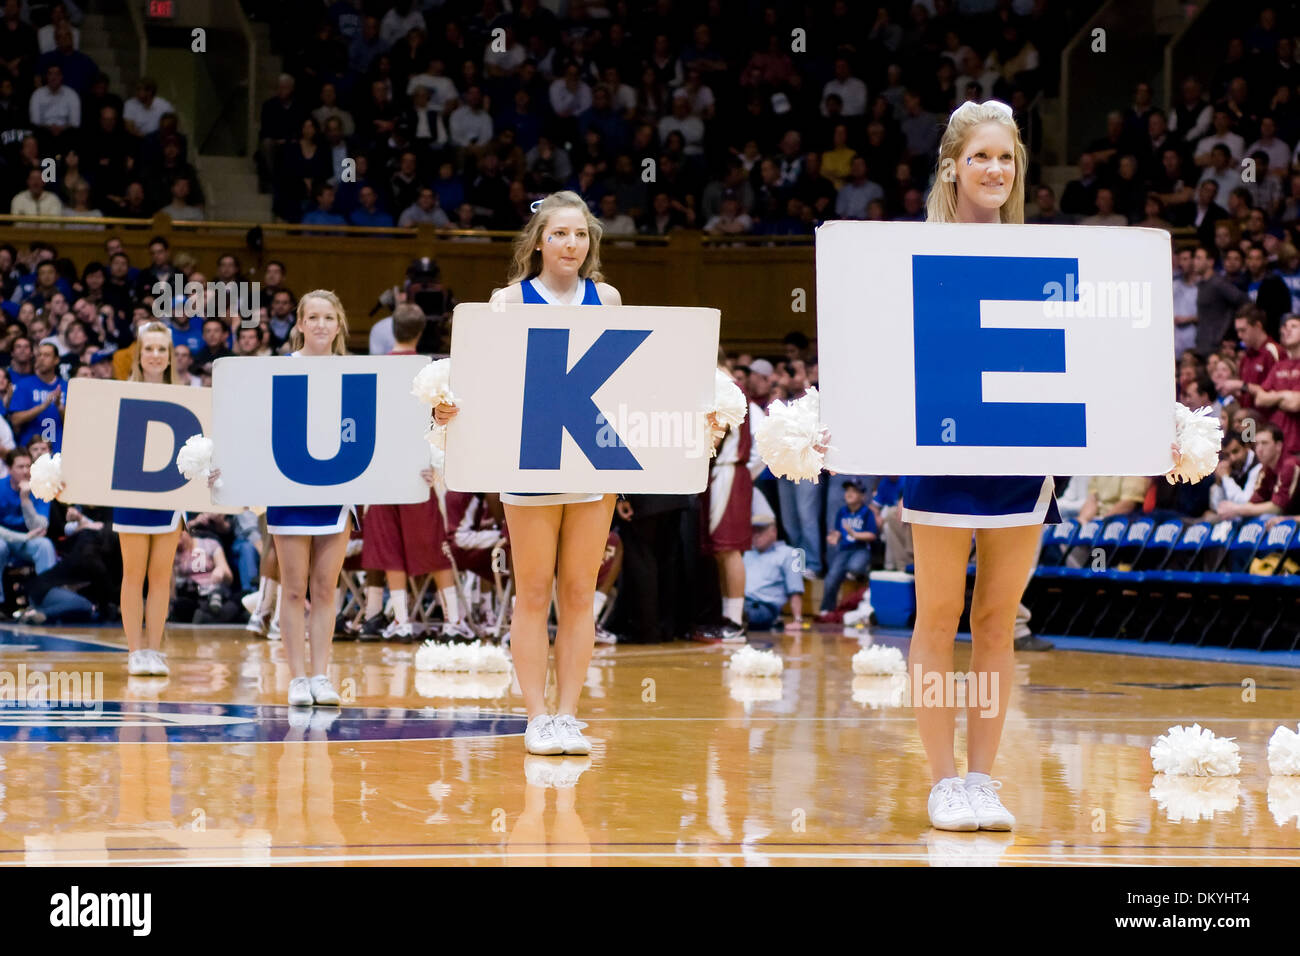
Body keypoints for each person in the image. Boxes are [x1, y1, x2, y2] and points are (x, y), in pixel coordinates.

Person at [898, 100, 1055, 832]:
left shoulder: (1040, 257)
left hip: (1022, 453)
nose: (995, 170)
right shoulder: (913, 252)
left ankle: (985, 779)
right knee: (936, 617)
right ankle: (942, 780)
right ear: (953, 166)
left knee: (995, 622)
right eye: (981, 157)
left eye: (1006, 158)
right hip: (938, 450)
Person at [435, 191, 623, 757]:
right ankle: (536, 716)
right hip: (529, 458)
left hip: (591, 459)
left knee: (579, 592)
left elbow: (626, 379)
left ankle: (568, 715)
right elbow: (482, 379)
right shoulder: (508, 301)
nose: (571, 244)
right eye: (560, 233)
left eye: (581, 235)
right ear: (539, 241)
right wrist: (448, 408)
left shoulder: (608, 299)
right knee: (534, 593)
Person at [213, 291, 358, 707]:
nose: (320, 325)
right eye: (312, 317)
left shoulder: (354, 371)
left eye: (328, 317)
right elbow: (252, 427)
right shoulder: (277, 371)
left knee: (326, 590)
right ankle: (297, 678)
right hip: (289, 492)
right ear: (298, 324)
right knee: (294, 589)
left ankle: (320, 675)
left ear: (338, 324)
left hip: (337, 492)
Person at [108, 322, 185, 676]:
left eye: (162, 349)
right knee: (133, 573)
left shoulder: (189, 396)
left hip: (171, 496)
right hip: (132, 492)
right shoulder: (119, 394)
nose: (155, 355)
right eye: (149, 348)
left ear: (171, 357)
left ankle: (155, 650)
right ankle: (135, 651)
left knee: (160, 575)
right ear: (138, 354)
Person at [819, 479, 876, 614]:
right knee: (831, 578)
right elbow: (839, 531)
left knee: (855, 567)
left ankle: (861, 573)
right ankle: (827, 609)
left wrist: (855, 534)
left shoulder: (867, 513)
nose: (849, 494)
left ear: (862, 496)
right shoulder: (842, 512)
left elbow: (872, 535)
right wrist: (835, 537)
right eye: (847, 491)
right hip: (844, 550)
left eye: (854, 491)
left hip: (861, 549)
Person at [741, 512, 804, 631]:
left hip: (764, 607)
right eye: (753, 530)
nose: (756, 535)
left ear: (773, 532)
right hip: (742, 602)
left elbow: (795, 589)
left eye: (760, 530)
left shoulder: (790, 553)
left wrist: (797, 620)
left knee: (742, 614)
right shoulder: (747, 553)